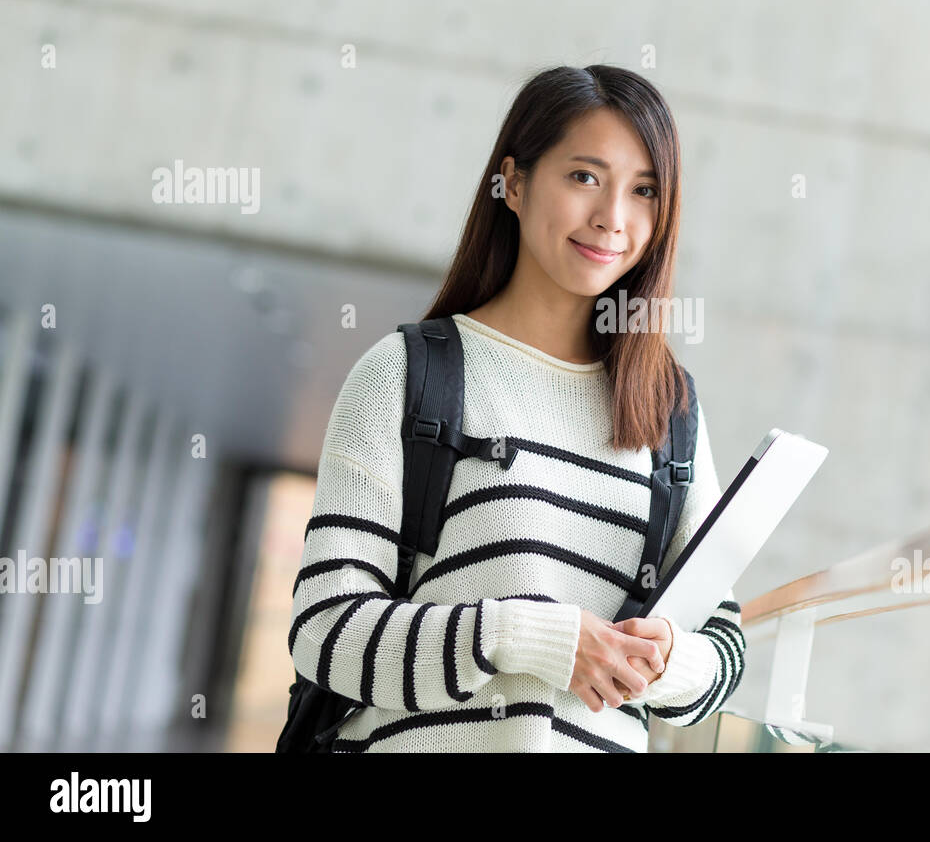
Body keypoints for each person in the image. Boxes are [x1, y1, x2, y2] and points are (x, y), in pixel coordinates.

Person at [287, 64, 746, 751]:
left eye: (644, 190)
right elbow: (324, 631)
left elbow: (724, 650)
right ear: (515, 182)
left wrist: (663, 658)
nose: (612, 219)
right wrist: (528, 637)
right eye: (585, 177)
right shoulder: (408, 373)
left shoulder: (668, 410)